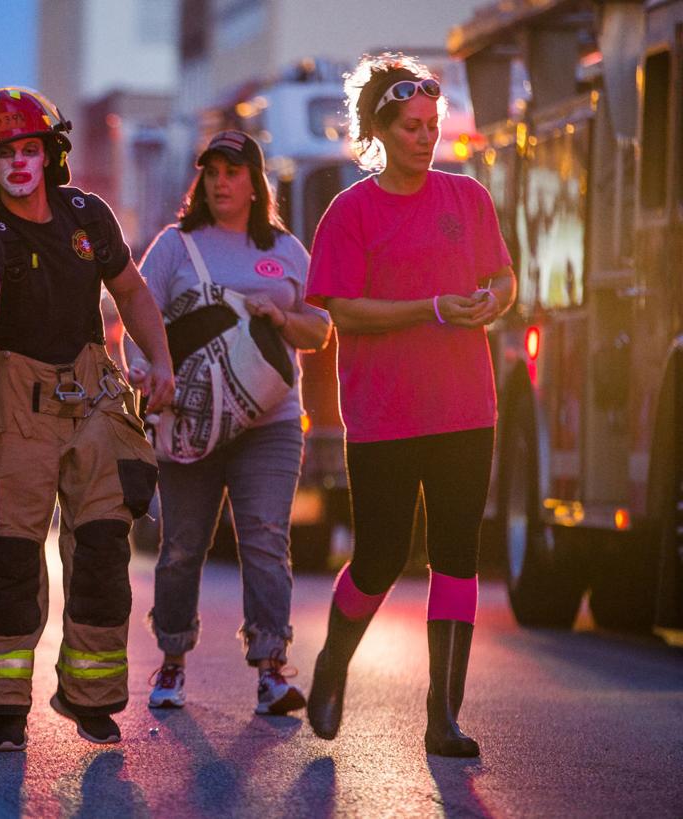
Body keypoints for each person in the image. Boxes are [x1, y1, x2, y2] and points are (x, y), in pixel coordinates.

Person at [303, 54, 515, 758]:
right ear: (381, 131)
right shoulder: (350, 211)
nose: (427, 137)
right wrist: (430, 308)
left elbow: (503, 278)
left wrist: (493, 300)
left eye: (433, 125)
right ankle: (334, 662)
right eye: (413, 127)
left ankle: (442, 714)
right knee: (381, 555)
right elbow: (345, 313)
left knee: (457, 555)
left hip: (466, 407)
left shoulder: (469, 199)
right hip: (384, 412)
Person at [0, 86, 173, 752]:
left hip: (93, 392)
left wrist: (159, 360)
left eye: (29, 148)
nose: (19, 163)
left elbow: (129, 290)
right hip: (13, 396)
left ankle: (92, 697)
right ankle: (5, 710)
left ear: (51, 153)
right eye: (4, 154)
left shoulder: (88, 214)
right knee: (9, 554)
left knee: (104, 548)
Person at [131, 130, 332, 715]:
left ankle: (271, 669)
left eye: (233, 171)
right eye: (212, 171)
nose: (221, 181)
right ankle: (170, 662)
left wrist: (280, 317)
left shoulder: (288, 251)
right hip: (191, 418)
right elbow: (138, 319)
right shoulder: (175, 245)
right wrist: (147, 377)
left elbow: (319, 330)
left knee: (266, 541)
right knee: (182, 547)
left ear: (255, 181)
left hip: (270, 421)